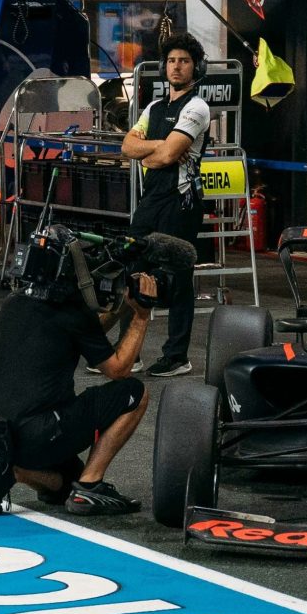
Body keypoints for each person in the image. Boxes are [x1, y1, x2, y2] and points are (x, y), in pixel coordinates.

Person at [0, 259, 154, 516]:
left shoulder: (13, 303)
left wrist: (120, 307)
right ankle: (91, 486)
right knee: (135, 392)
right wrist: (141, 316)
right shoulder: (71, 312)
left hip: (3, 433)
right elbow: (118, 369)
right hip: (43, 432)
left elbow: (83, 332)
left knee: (67, 484)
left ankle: (15, 470)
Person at [120, 34, 210, 375]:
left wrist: (155, 153)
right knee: (132, 267)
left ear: (195, 67)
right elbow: (128, 147)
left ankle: (176, 357)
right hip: (151, 199)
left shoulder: (197, 107)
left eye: (184, 61)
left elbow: (168, 156)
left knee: (177, 278)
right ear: (164, 67)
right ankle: (131, 353)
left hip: (181, 203)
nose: (177, 66)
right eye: (172, 60)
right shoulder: (154, 108)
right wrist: (158, 147)